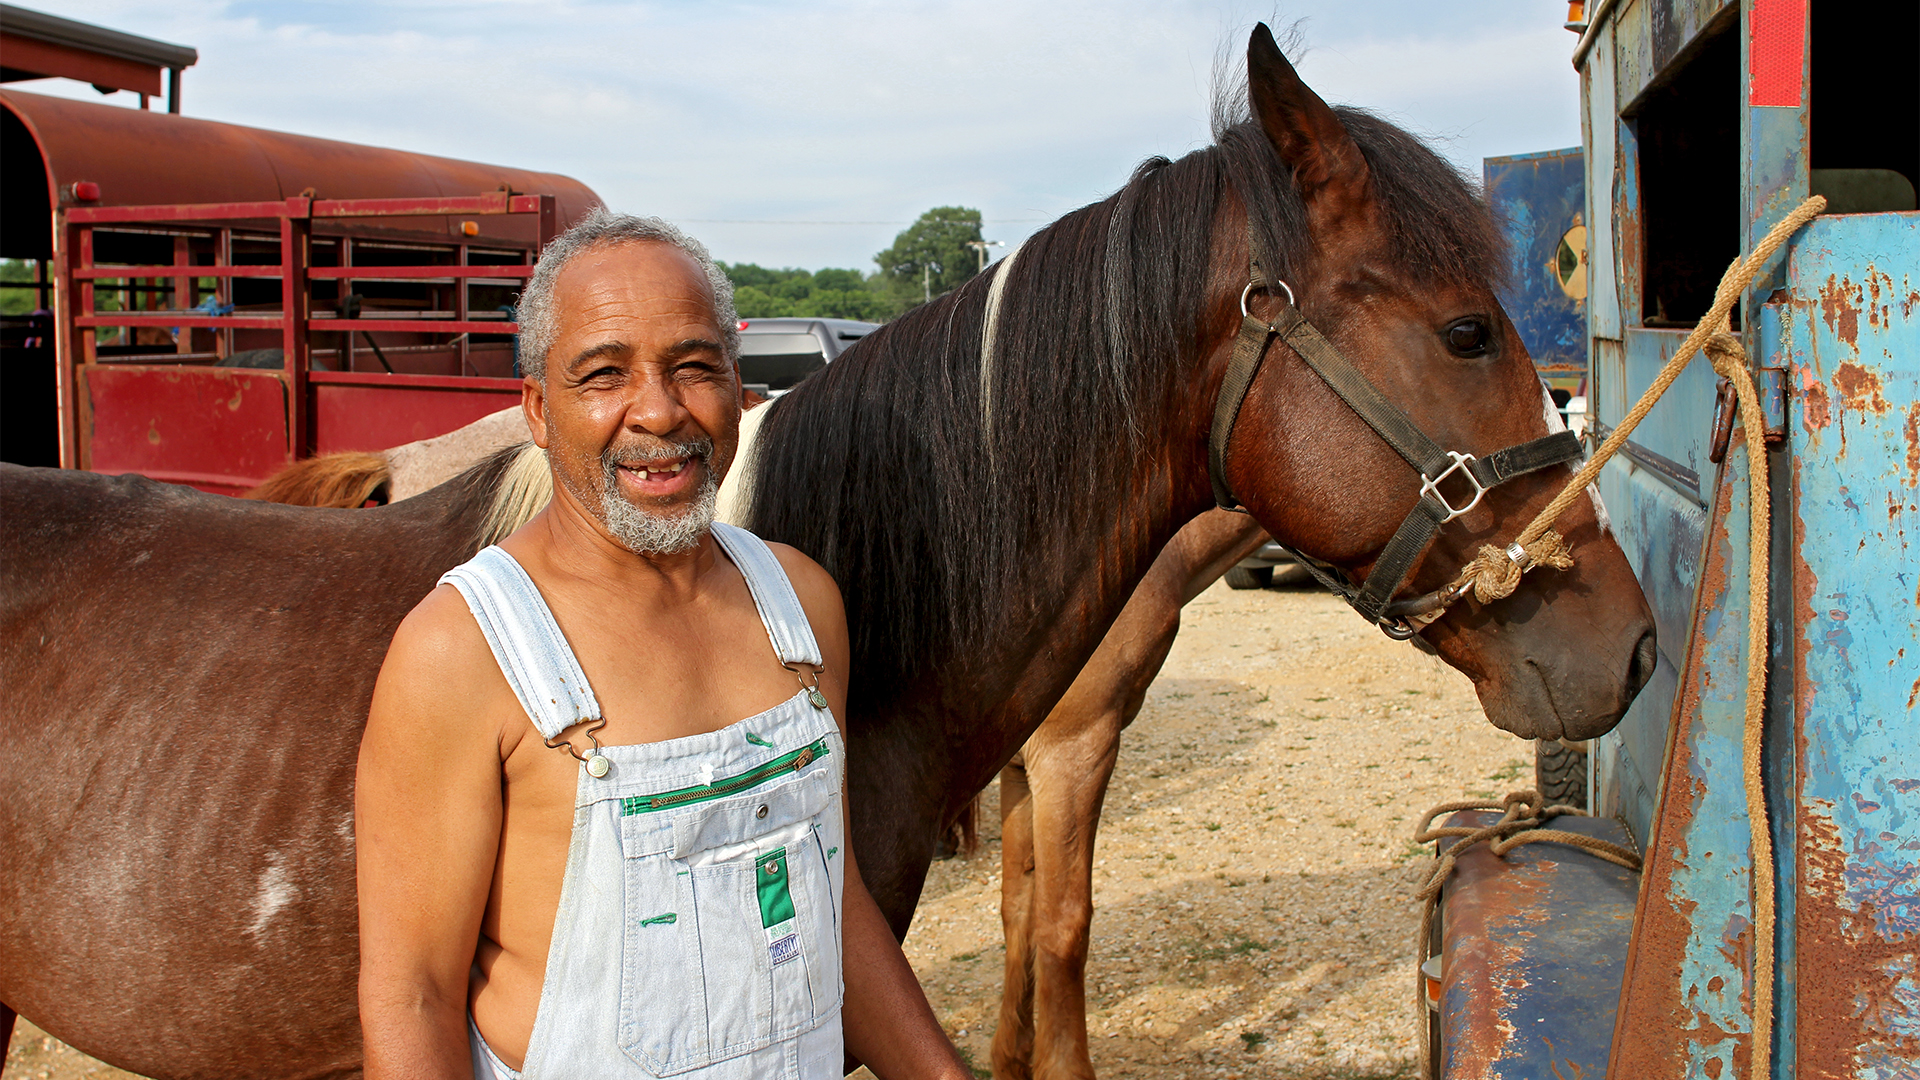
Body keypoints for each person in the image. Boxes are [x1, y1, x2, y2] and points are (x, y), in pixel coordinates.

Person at [356, 209, 970, 1080]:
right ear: (536, 408)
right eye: (605, 375)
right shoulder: (463, 649)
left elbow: (829, 904)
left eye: (693, 367)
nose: (658, 411)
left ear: (737, 385)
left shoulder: (800, 607)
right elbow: (410, 993)